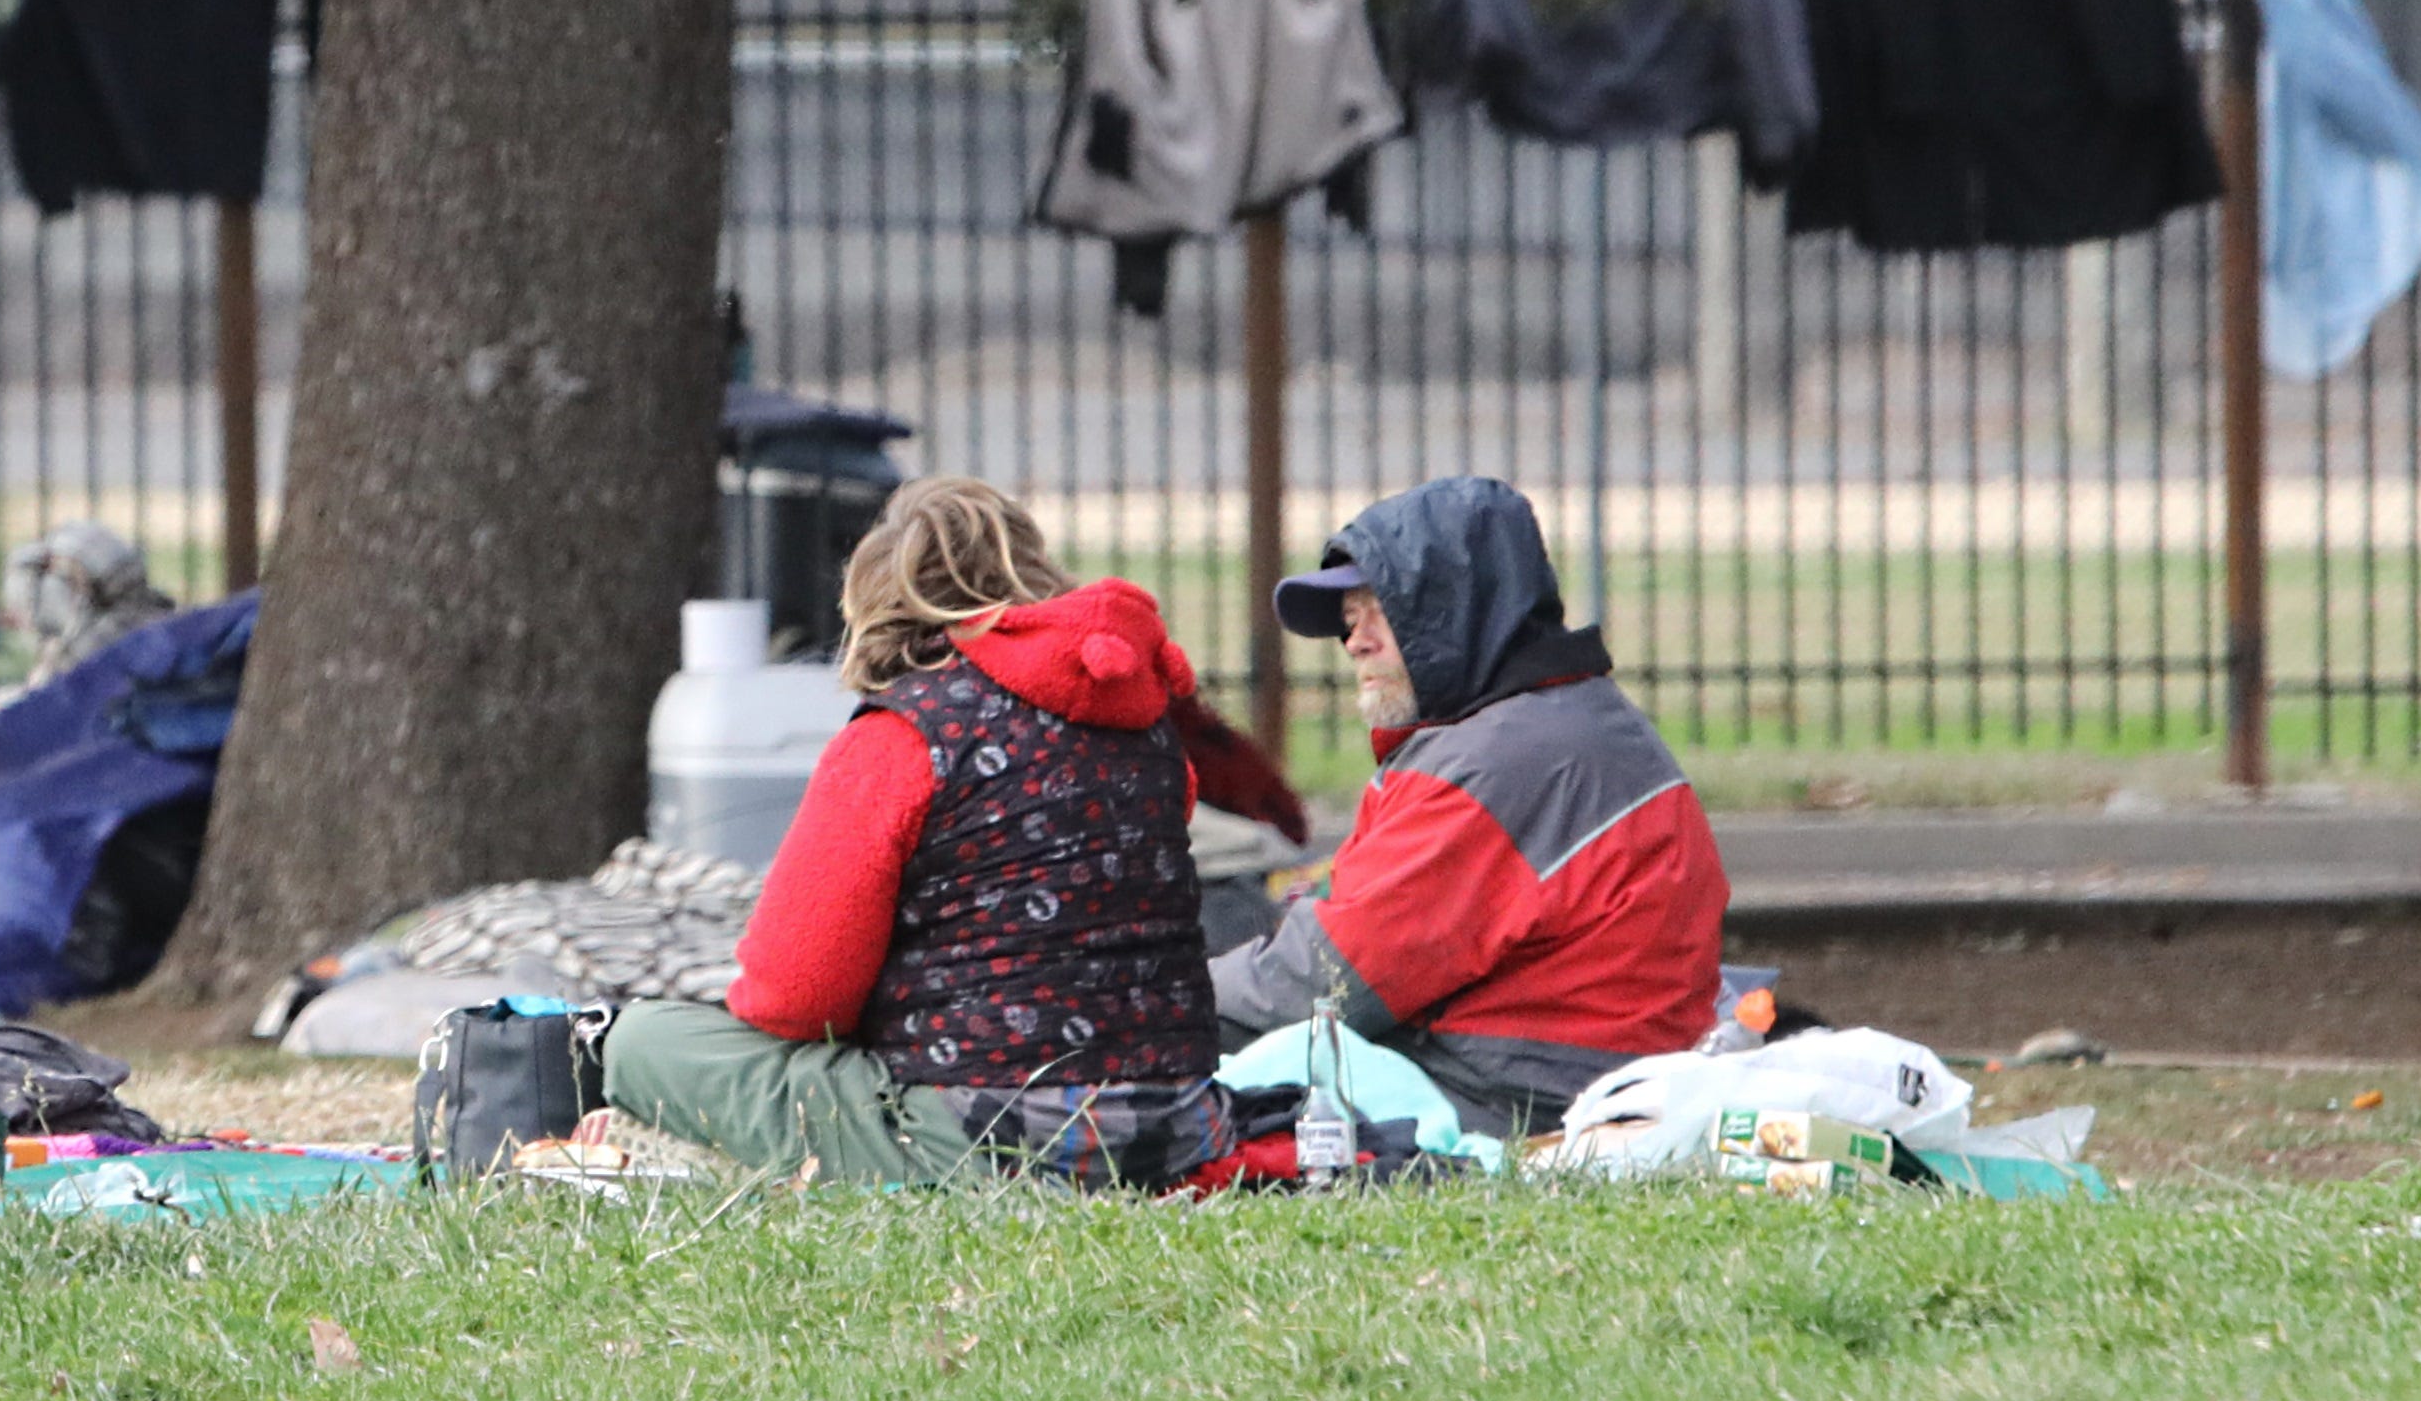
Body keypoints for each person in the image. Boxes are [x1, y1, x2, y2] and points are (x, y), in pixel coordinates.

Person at [603, 477, 1230, 1190]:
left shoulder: (905, 731)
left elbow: (793, 998)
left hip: (983, 1134)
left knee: (642, 1040)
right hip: (1179, 1124)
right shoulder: (1146, 725)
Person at [1209, 475, 1725, 1139]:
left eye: (1379, 609)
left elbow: (1325, 985)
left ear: (1454, 610)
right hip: (1571, 1077)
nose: (1355, 640)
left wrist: (1142, 1002)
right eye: (1349, 617)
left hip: (1520, 1099)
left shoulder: (1497, 764)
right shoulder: (1566, 723)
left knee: (1219, 1090)